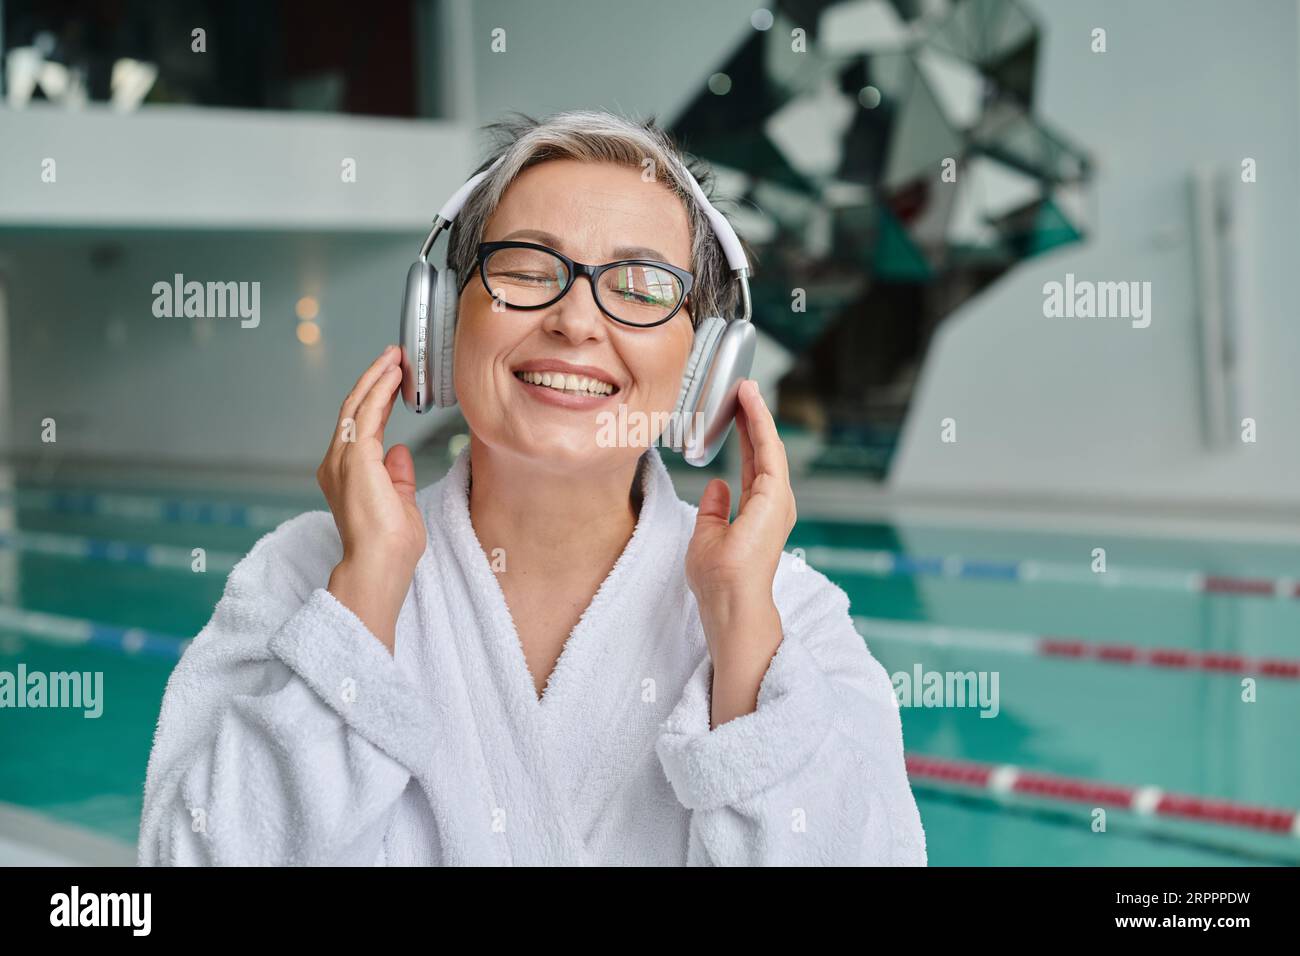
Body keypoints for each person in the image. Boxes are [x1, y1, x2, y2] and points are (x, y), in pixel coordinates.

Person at [138, 110, 926, 866]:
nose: (576, 320)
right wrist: (367, 594)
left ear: (704, 365)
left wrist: (741, 630)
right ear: (443, 320)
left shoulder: (791, 613)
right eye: (524, 268)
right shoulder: (306, 577)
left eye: (642, 286)